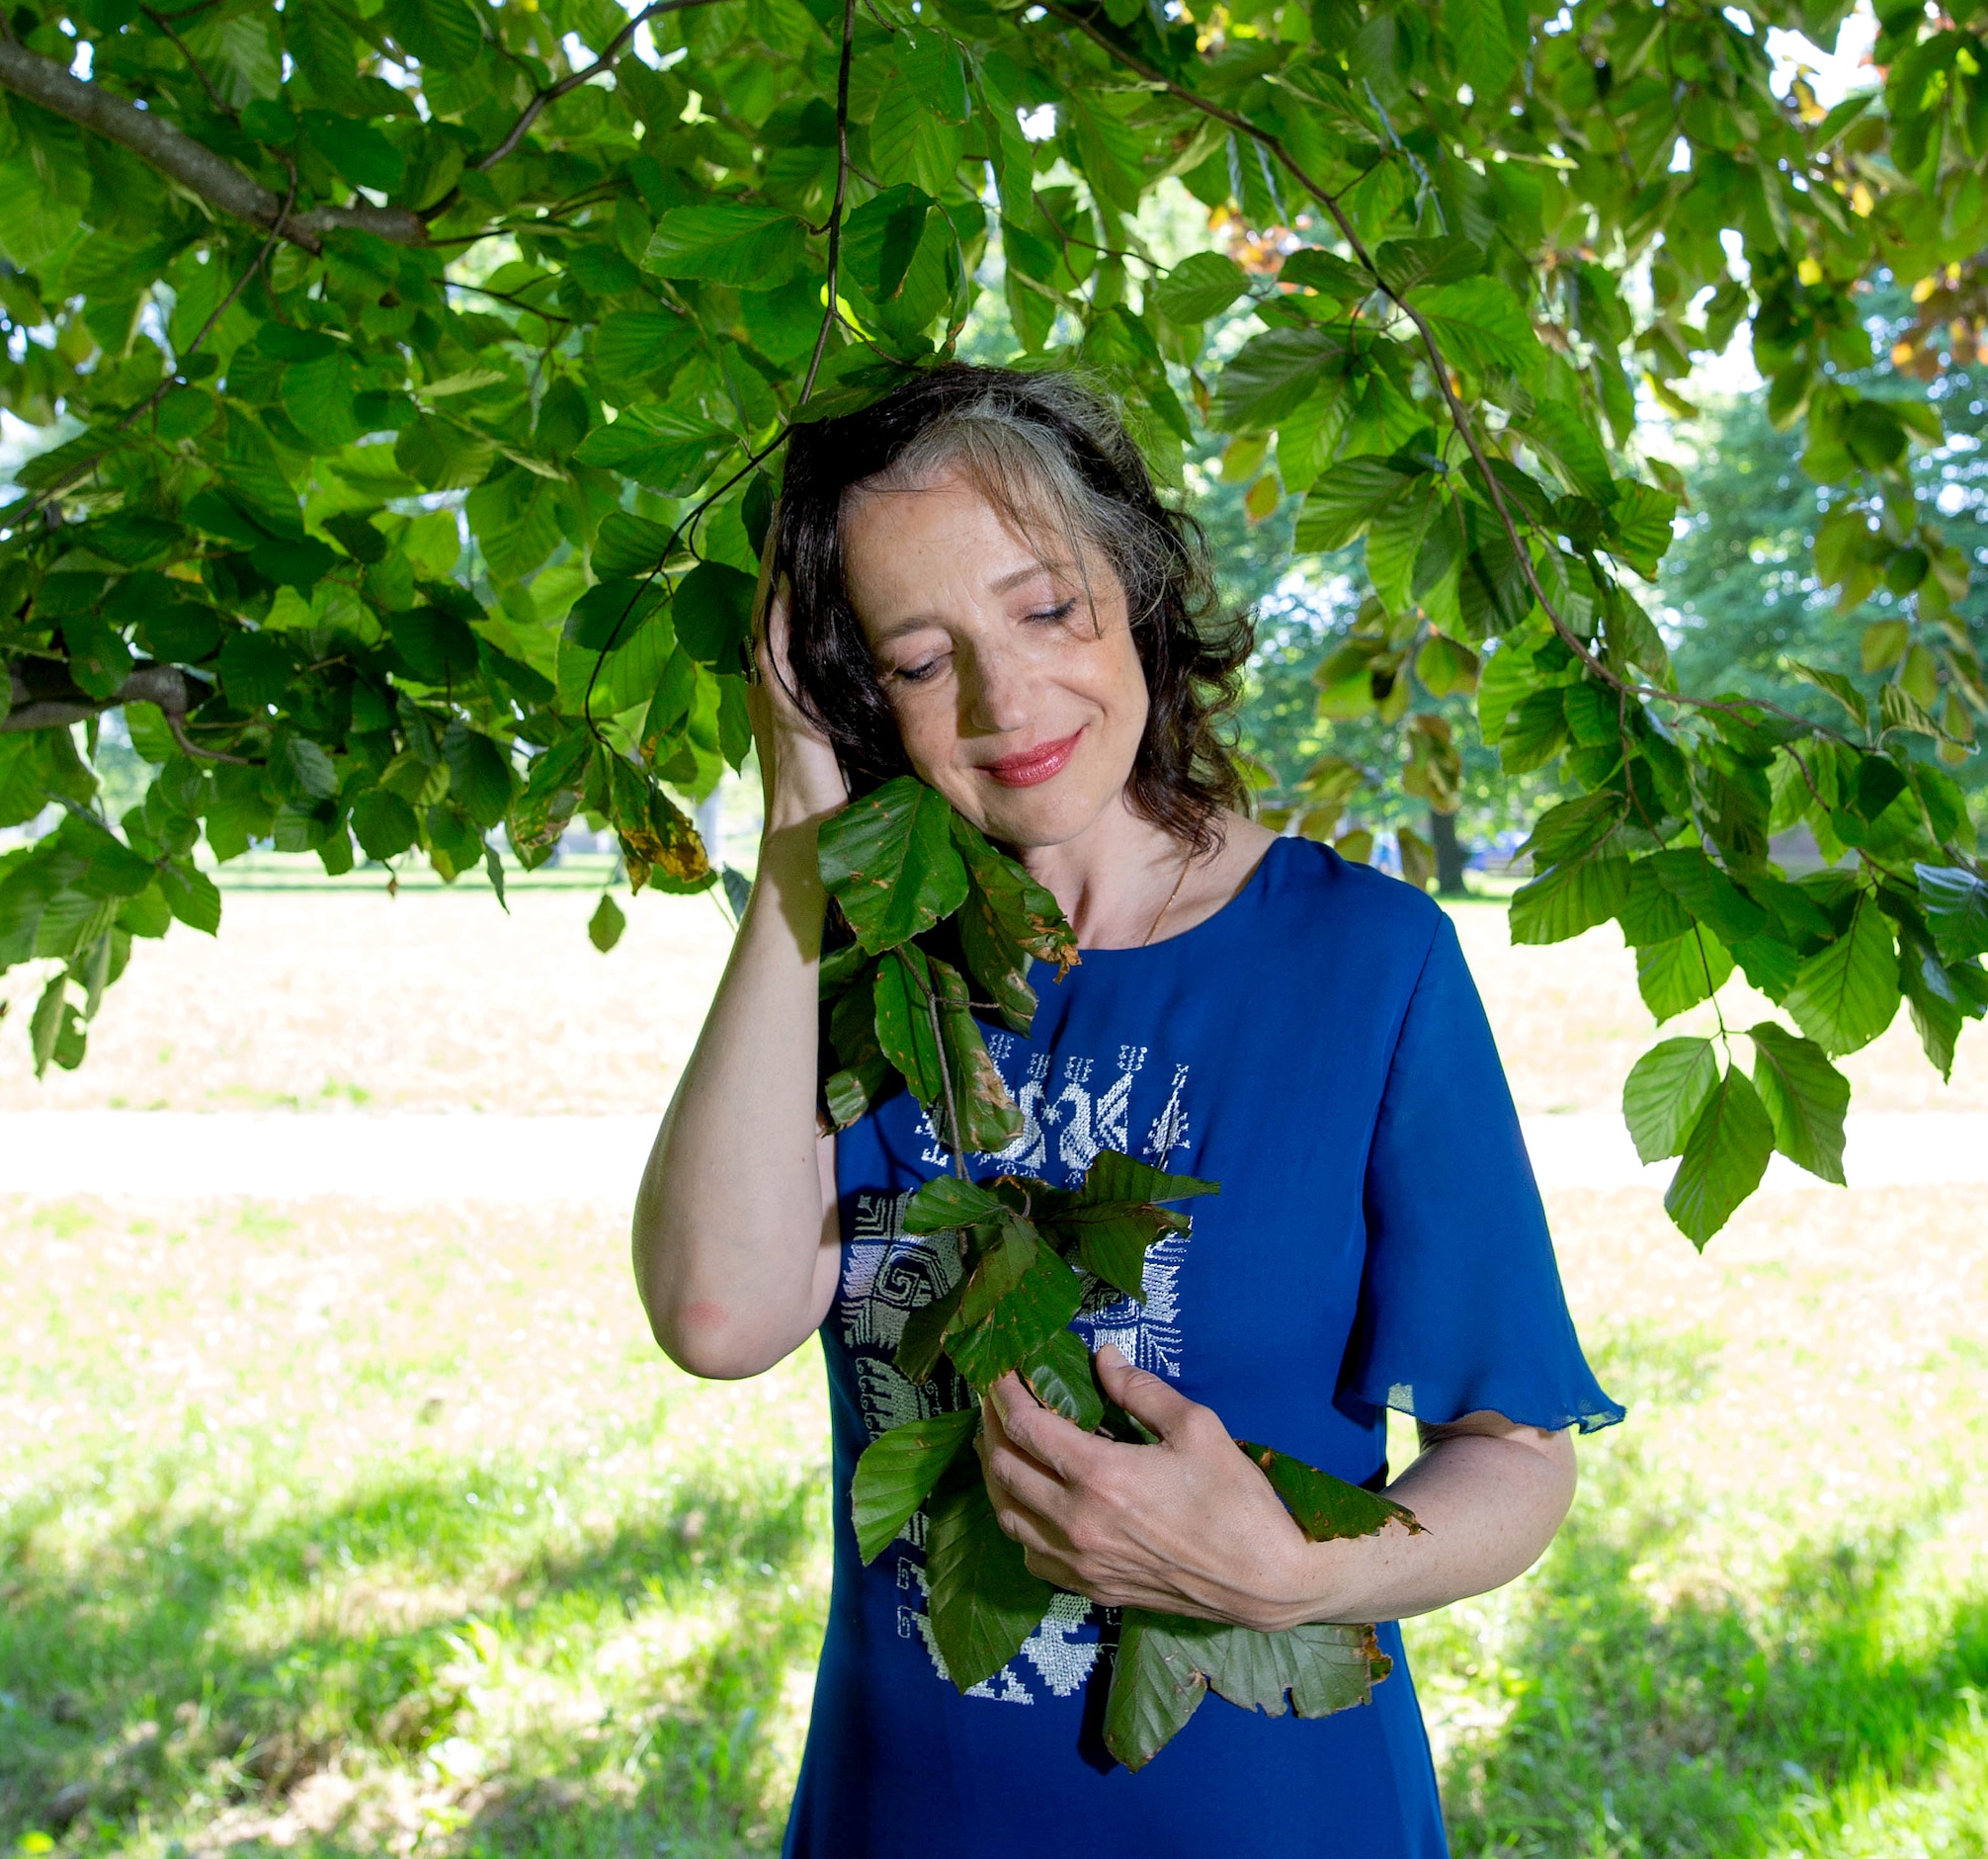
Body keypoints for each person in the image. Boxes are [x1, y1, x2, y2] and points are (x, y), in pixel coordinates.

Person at [634, 365, 1621, 1858]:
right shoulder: (862, 974)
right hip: (915, 1823)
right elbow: (718, 1316)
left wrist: (1289, 1571)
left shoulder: (1366, 962)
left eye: (1047, 609)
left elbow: (1520, 1455)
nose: (1005, 698)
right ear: (853, 699)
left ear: (1142, 585)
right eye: (917, 658)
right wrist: (796, 846)